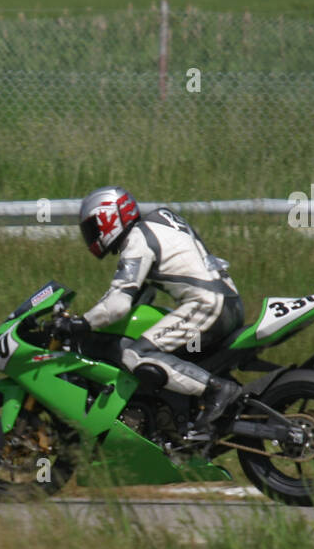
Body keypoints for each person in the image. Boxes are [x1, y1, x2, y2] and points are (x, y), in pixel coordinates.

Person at [51, 186, 245, 440]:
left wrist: (81, 324)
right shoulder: (161, 221)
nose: (93, 235)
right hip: (228, 302)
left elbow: (118, 304)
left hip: (207, 306)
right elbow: (135, 295)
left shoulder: (137, 242)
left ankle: (217, 390)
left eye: (94, 227)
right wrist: (92, 317)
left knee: (136, 354)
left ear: (110, 218)